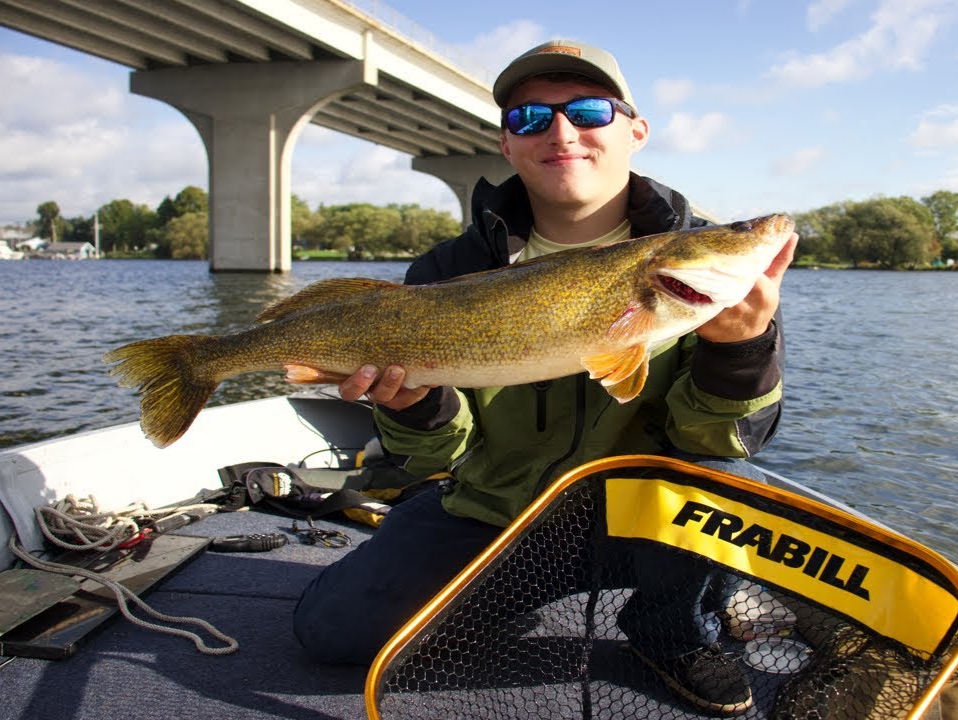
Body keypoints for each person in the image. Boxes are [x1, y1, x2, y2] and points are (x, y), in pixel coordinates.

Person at [292, 39, 797, 716]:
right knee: (332, 630)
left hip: (643, 528)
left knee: (729, 483)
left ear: (636, 131)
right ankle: (476, 580)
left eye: (588, 112)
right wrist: (415, 407)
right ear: (507, 144)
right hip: (500, 514)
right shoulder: (448, 270)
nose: (561, 132)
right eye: (530, 118)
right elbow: (436, 454)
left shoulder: (713, 277)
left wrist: (741, 350)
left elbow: (722, 441)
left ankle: (672, 631)